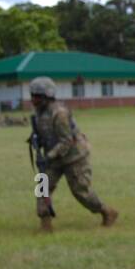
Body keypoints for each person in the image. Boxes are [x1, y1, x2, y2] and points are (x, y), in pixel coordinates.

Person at [27, 76, 118, 231]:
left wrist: (48, 156)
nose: (33, 100)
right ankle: (45, 225)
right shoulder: (38, 113)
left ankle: (106, 212)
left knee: (80, 191)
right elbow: (43, 133)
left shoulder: (59, 113)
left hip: (74, 157)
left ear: (47, 96)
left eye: (37, 96)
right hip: (53, 158)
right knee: (42, 188)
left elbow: (66, 141)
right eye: (32, 96)